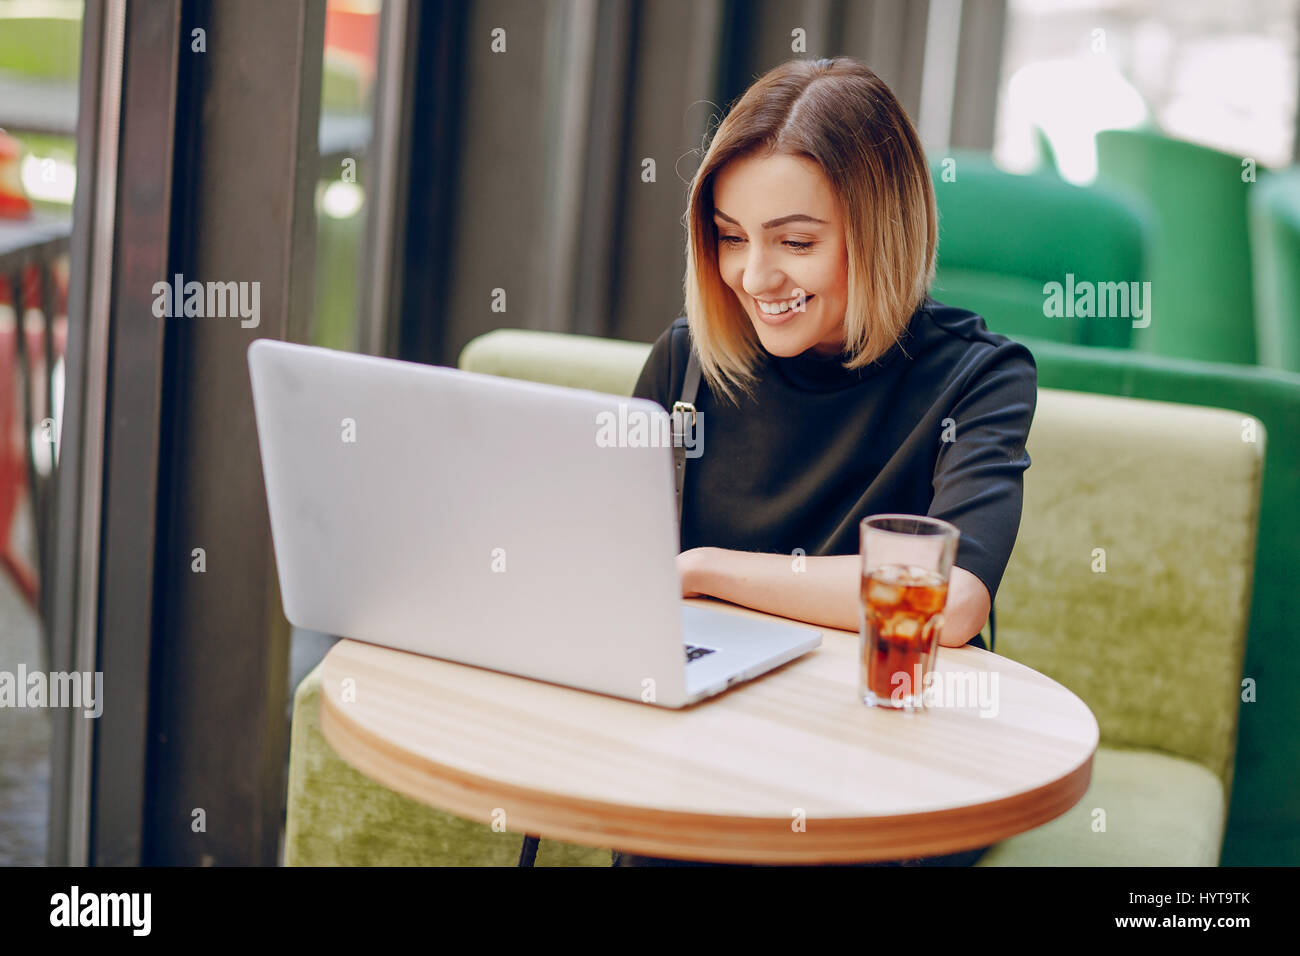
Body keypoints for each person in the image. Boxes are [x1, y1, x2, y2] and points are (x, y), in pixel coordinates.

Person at [612, 57, 1037, 867]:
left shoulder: (979, 377)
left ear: (881, 229)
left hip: (885, 763)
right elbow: (614, 562)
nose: (755, 276)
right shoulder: (688, 364)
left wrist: (704, 570)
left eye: (796, 242)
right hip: (709, 738)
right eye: (731, 238)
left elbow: (946, 605)